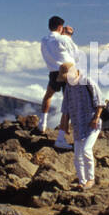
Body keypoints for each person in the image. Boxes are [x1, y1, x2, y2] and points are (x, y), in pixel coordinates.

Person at [59, 61, 103, 189]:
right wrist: (65, 125)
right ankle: (82, 181)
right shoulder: (68, 87)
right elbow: (66, 107)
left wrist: (96, 118)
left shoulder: (87, 82)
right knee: (77, 155)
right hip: (78, 125)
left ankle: (91, 179)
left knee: (86, 150)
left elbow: (99, 102)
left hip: (91, 124)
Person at [39, 15, 79, 150]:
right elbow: (75, 54)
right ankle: (61, 138)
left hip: (53, 71)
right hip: (67, 70)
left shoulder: (44, 40)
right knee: (67, 103)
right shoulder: (63, 39)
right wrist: (69, 35)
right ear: (60, 27)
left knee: (48, 95)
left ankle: (42, 124)